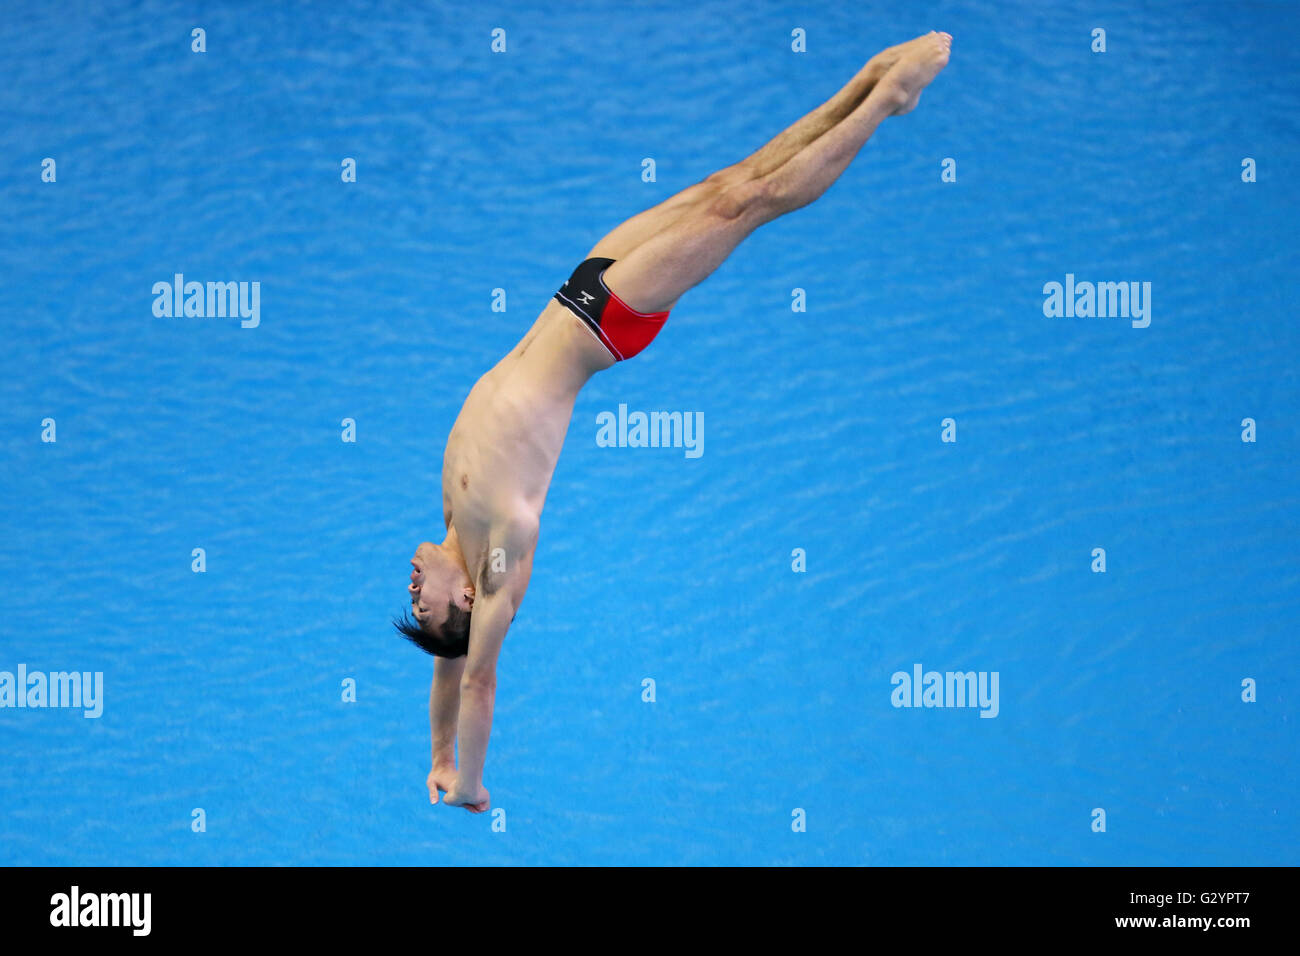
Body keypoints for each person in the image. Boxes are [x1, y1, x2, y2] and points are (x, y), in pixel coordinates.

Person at [398, 32, 953, 812]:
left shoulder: (456, 517)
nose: (414, 584)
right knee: (748, 205)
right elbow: (477, 673)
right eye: (421, 602)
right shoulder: (497, 567)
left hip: (575, 291)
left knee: (725, 181)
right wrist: (471, 782)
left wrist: (436, 752)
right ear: (463, 606)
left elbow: (445, 669)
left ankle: (862, 82)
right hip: (609, 322)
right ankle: (887, 104)